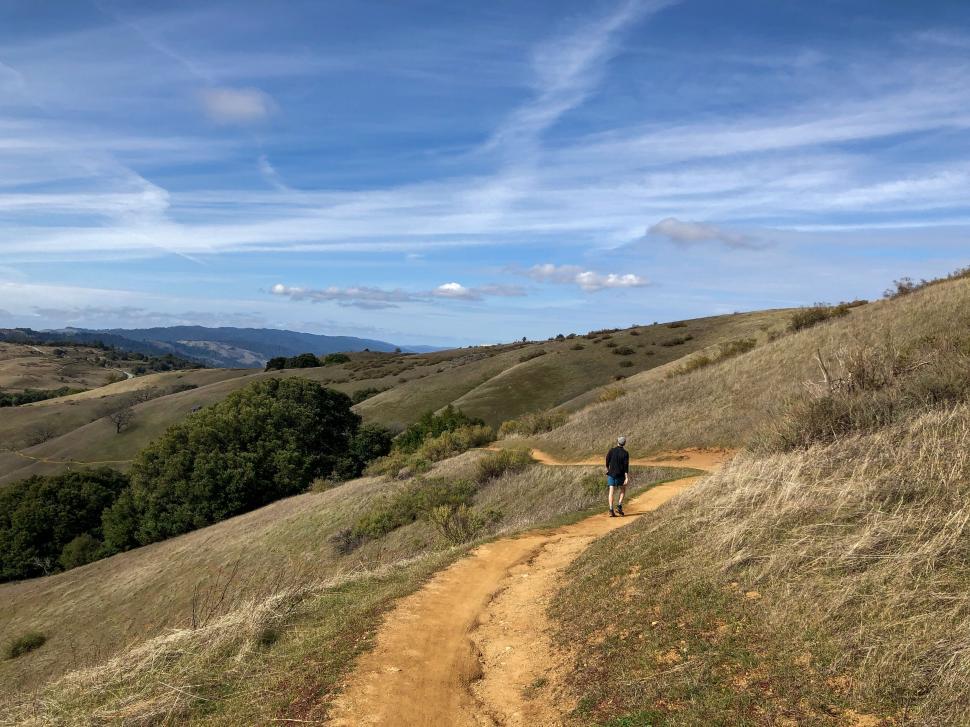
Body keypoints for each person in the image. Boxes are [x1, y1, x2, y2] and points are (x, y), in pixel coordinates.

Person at [606, 436, 630, 517]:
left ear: (617, 442)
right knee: (623, 489)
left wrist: (607, 469)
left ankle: (611, 509)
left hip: (611, 474)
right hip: (621, 475)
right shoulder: (625, 453)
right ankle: (619, 505)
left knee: (611, 492)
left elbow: (607, 460)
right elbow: (626, 466)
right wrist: (626, 477)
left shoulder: (612, 450)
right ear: (624, 443)